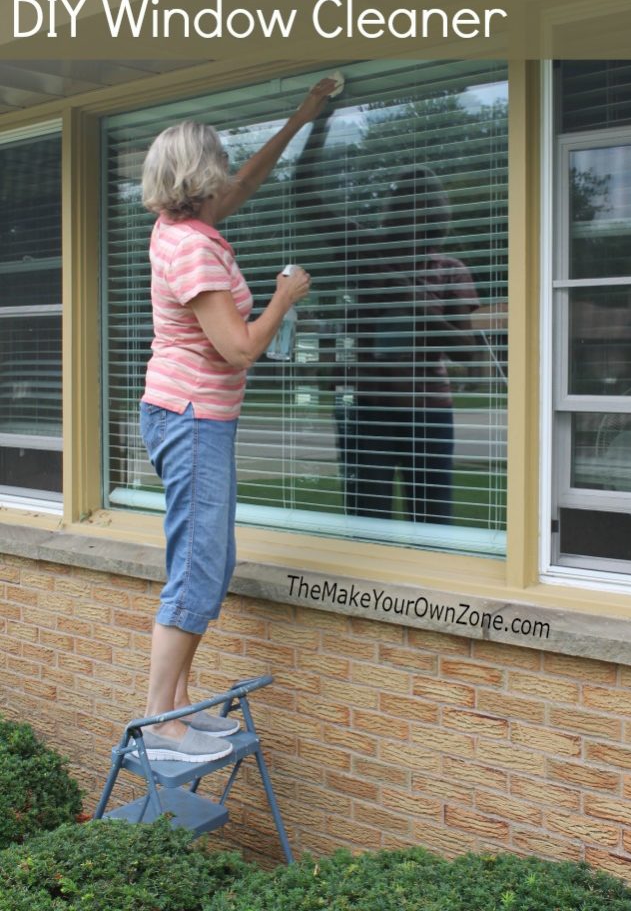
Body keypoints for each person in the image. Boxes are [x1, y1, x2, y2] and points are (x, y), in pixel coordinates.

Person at [137, 77, 335, 762]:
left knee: (202, 560)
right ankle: (160, 717)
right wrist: (284, 296)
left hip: (187, 413)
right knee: (200, 566)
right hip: (191, 417)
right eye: (217, 161)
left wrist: (303, 117)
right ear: (199, 174)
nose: (228, 170)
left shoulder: (182, 226)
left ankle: (181, 707)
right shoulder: (193, 247)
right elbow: (240, 347)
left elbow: (248, 180)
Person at [352, 166, 480, 523]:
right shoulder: (367, 257)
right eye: (397, 201)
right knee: (368, 519)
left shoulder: (451, 270)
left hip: (429, 411)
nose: (398, 209)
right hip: (371, 409)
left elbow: (465, 350)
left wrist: (410, 297)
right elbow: (307, 199)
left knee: (432, 519)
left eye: (410, 203)